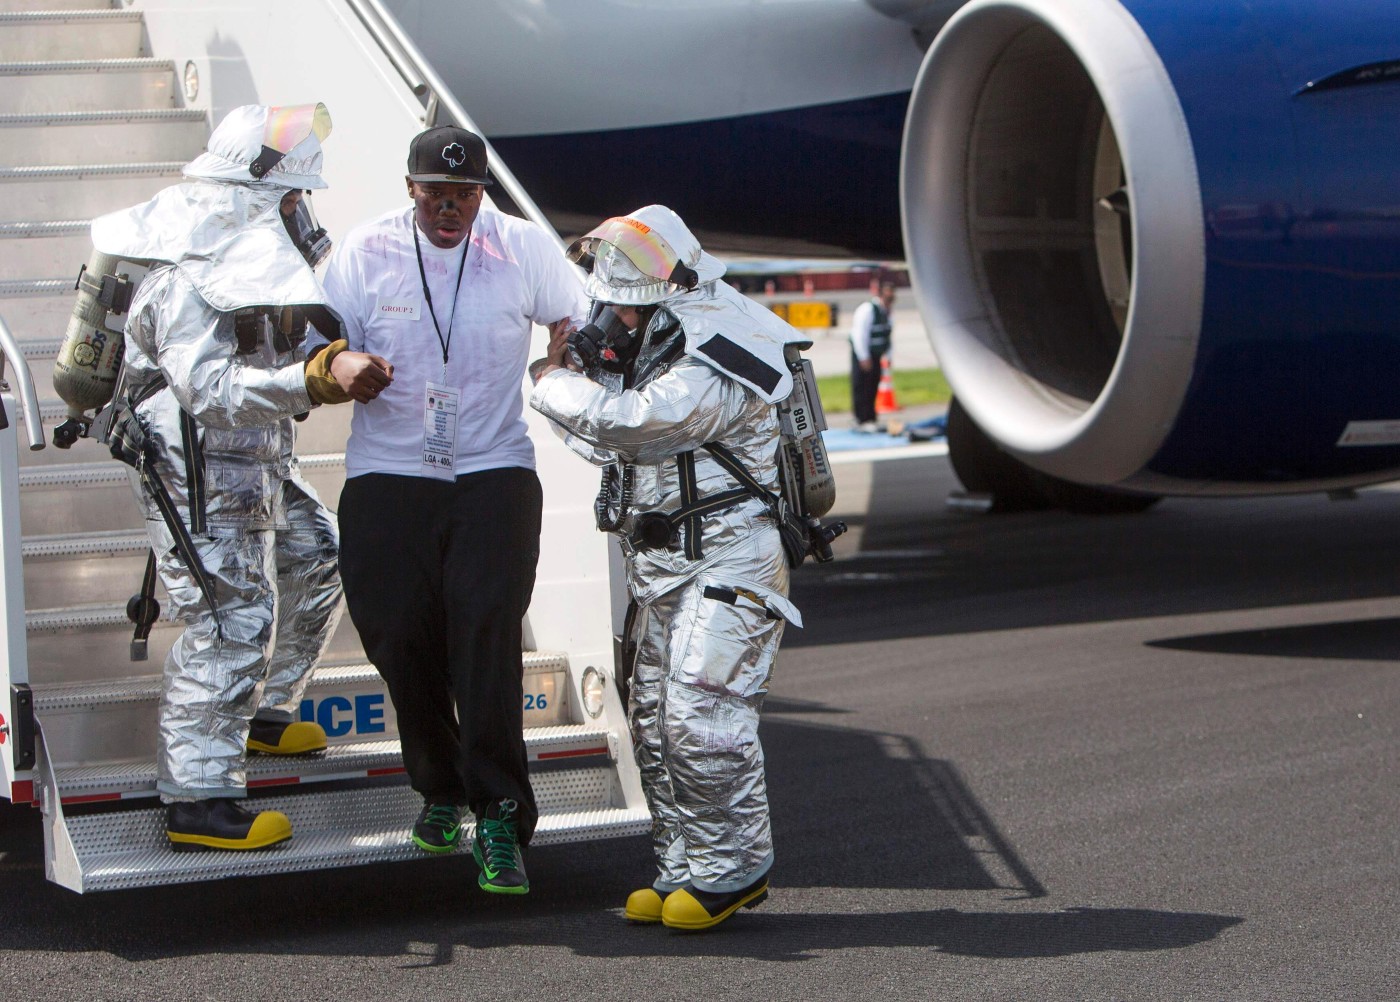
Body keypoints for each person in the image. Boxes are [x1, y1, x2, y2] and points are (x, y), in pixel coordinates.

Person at [316, 125, 585, 895]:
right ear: (411, 189)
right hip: (389, 472)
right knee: (396, 630)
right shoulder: (366, 253)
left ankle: (500, 814)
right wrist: (343, 366)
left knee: (485, 629)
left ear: (483, 194)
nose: (451, 210)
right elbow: (316, 346)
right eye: (437, 194)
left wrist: (561, 351)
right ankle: (440, 784)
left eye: (465, 195)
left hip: (494, 469)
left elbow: (579, 313)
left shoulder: (521, 247)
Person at [91, 103, 360, 851]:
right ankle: (198, 799)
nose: (303, 214)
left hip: (249, 456)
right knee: (228, 617)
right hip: (195, 460)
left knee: (319, 555)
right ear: (254, 199)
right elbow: (208, 392)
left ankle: (263, 714)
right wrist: (310, 381)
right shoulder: (185, 277)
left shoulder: (243, 260)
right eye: (293, 198)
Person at [528, 205, 804, 931]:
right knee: (653, 722)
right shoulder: (659, 338)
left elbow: (644, 424)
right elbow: (612, 445)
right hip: (663, 561)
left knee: (700, 716)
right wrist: (577, 389)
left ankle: (732, 871)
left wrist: (550, 382)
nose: (610, 319)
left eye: (619, 305)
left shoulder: (728, 340)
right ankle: (683, 865)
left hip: (731, 555)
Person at [849, 280, 896, 432]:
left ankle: (870, 417)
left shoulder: (887, 312)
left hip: (876, 355)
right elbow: (859, 334)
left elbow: (887, 336)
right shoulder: (868, 309)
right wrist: (863, 357)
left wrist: (888, 356)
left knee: (873, 386)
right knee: (861, 386)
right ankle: (861, 419)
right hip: (863, 355)